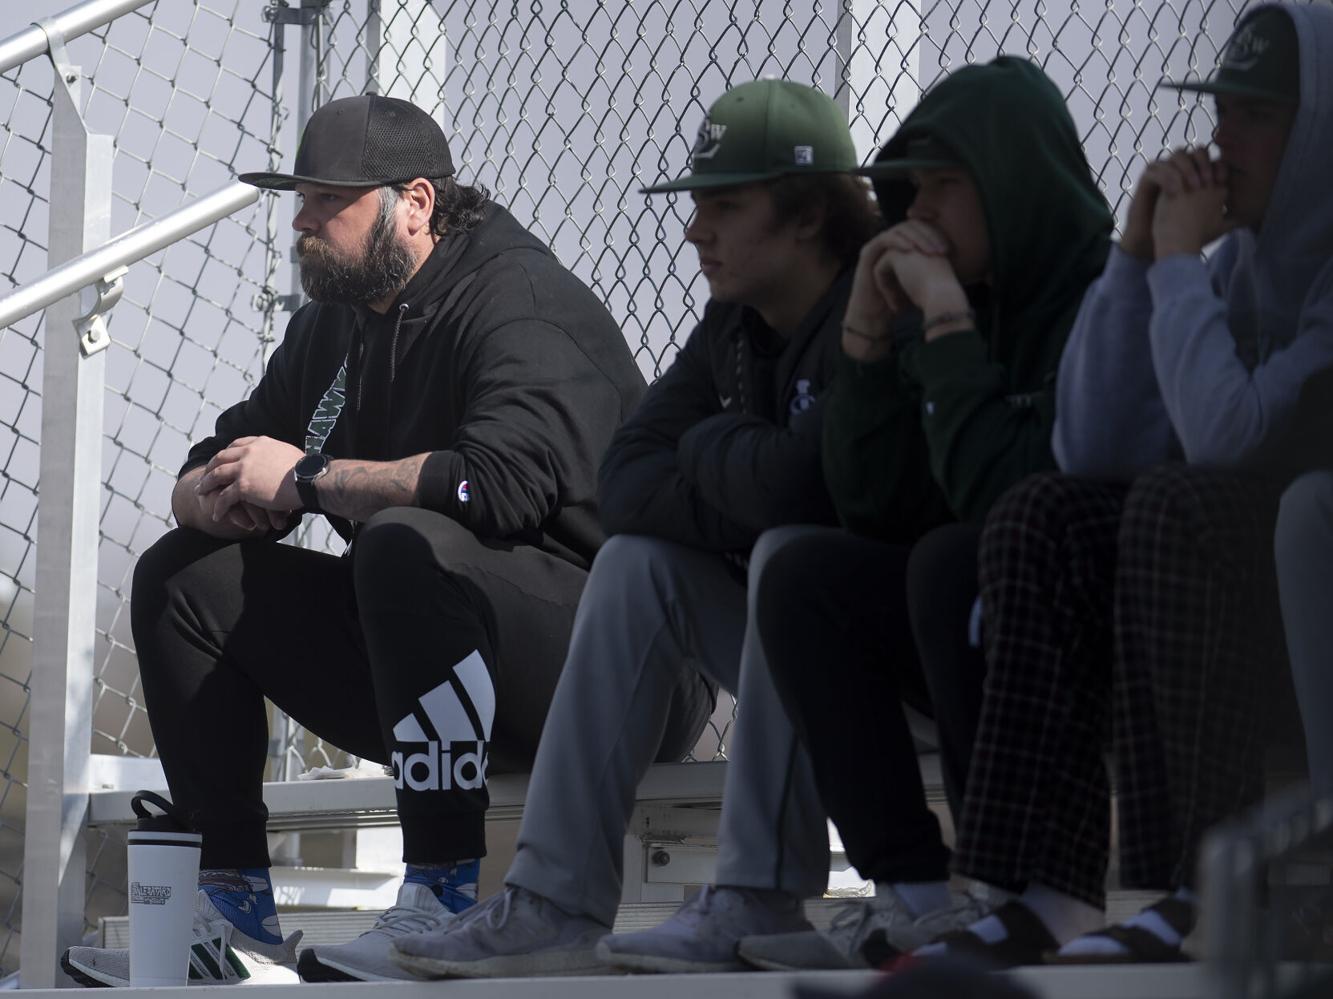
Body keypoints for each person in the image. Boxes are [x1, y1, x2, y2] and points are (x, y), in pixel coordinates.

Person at [61, 93, 657, 988]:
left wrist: (307, 480)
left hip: (601, 669)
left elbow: (494, 485)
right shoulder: (332, 325)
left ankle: (441, 893)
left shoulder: (520, 301)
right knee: (184, 577)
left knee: (402, 542)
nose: (299, 221)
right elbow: (219, 456)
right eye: (297, 198)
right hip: (436, 669)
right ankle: (231, 911)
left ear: (413, 202)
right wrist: (208, 499)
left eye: (324, 200)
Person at [385, 78, 882, 979]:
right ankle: (551, 902)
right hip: (796, 648)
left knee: (789, 553)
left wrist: (719, 457)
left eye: (725, 206)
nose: (695, 229)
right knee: (638, 564)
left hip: (910, 659)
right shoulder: (735, 320)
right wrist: (746, 466)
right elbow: (624, 479)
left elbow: (812, 493)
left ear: (808, 213)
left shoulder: (876, 304)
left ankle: (758, 897)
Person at [926, 2, 1333, 966]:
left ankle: (1204, 884)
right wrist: (1135, 259)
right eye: (1218, 110)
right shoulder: (1231, 266)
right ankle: (1047, 892)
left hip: (1300, 600)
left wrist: (1181, 268)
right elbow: (1093, 444)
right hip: (1238, 605)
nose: (1220, 140)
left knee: (1176, 506)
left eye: (1254, 116)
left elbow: (1227, 440)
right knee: (1044, 517)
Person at [736, 57, 1114, 971]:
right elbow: (868, 498)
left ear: (1011, 182)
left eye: (949, 184)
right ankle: (912, 893)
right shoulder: (945, 293)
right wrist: (866, 336)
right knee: (802, 574)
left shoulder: (1103, 291)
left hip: (1103, 627)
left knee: (950, 557)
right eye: (915, 187)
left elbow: (1008, 494)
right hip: (973, 619)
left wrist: (945, 328)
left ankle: (1014, 889)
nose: (924, 209)